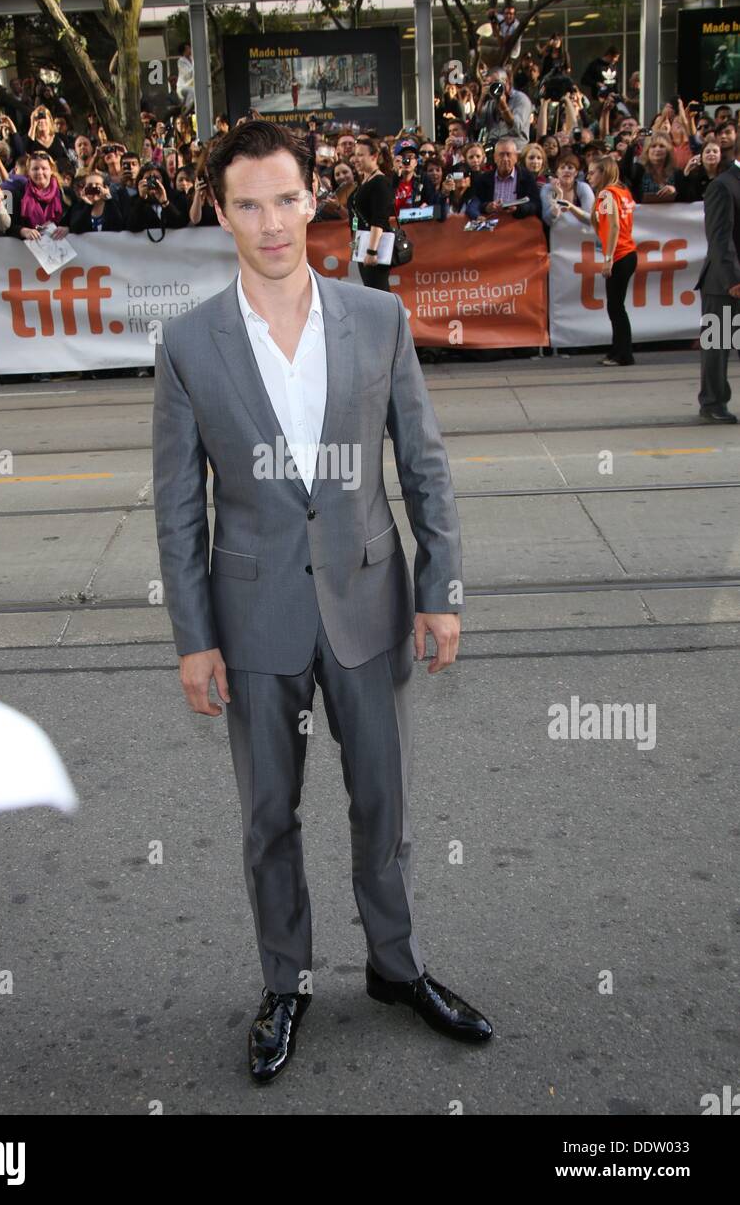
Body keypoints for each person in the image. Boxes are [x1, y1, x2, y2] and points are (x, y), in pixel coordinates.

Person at [152, 116, 492, 1086]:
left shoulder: (376, 319)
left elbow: (423, 464)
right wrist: (192, 639)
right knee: (269, 816)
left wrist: (441, 590)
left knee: (380, 803)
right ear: (220, 213)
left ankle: (395, 965)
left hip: (370, 603)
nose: (269, 222)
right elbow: (179, 507)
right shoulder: (188, 343)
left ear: (313, 198)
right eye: (247, 204)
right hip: (252, 620)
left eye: (285, 198)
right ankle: (285, 980)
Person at [695, 136, 740, 422]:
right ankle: (712, 403)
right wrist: (733, 278)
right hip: (724, 283)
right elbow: (720, 238)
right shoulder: (722, 185)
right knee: (717, 346)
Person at [588, 156, 637, 367]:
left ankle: (623, 353)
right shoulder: (621, 192)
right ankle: (618, 350)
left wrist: (608, 258)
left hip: (620, 254)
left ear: (603, 173)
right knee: (616, 306)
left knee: (616, 307)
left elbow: (614, 226)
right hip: (627, 253)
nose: (589, 176)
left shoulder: (607, 195)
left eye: (592, 172)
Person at [347, 135, 397, 293]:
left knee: (379, 292)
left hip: (374, 247)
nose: (357, 159)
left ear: (374, 157)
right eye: (356, 154)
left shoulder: (380, 182)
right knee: (372, 291)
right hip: (362, 245)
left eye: (361, 155)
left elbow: (379, 219)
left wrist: (372, 251)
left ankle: (389, 318)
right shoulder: (365, 180)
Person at [465, 137, 540, 219]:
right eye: (501, 155)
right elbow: (474, 203)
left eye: (508, 154)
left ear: (516, 157)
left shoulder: (527, 178)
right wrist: (486, 207)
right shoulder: (484, 179)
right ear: (495, 158)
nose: (505, 159)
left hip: (517, 224)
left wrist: (518, 208)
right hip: (492, 224)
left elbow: (535, 204)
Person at [9, 153, 70, 240]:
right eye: (35, 169)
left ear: (51, 170)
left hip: (60, 247)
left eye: (44, 168)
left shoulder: (66, 193)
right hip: (26, 249)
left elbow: (76, 220)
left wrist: (68, 229)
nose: (40, 172)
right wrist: (23, 231)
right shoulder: (17, 194)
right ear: (29, 172)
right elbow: (8, 226)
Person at [541, 150, 596, 228]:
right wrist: (559, 196)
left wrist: (571, 207)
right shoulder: (548, 188)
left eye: (570, 168)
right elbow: (548, 220)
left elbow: (591, 220)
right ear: (557, 172)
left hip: (581, 234)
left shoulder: (583, 187)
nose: (566, 170)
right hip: (556, 234)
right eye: (562, 168)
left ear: (576, 172)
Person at [679, 138, 724, 203]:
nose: (711, 154)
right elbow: (687, 197)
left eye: (715, 151)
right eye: (707, 152)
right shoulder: (695, 177)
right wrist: (687, 171)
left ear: (720, 156)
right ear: (701, 156)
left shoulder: (726, 176)